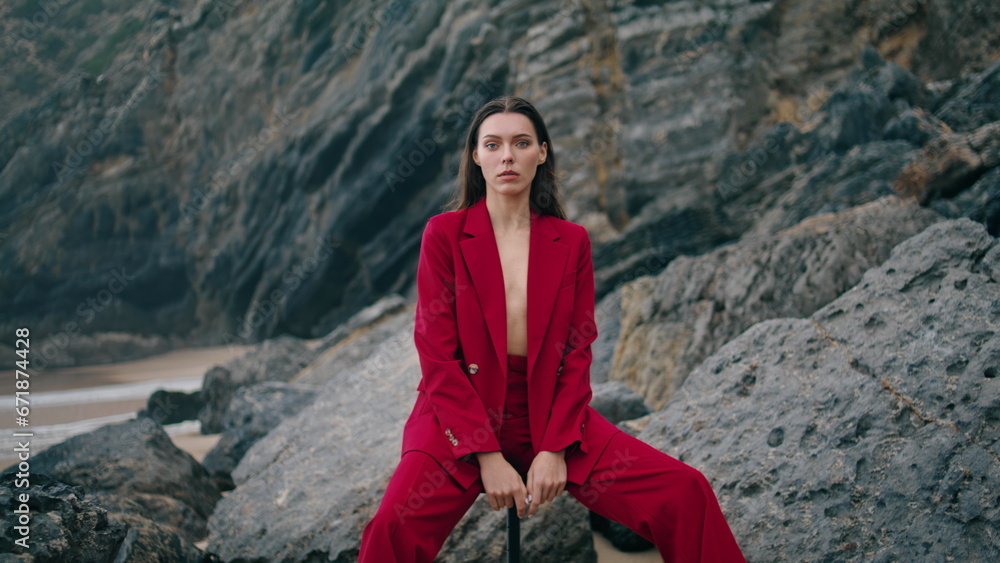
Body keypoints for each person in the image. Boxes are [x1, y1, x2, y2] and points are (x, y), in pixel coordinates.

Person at [358, 95, 745, 562]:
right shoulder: (445, 234)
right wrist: (487, 456)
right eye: (493, 144)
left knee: (685, 492)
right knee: (391, 528)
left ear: (541, 152)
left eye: (521, 143)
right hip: (459, 416)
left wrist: (556, 449)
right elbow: (437, 356)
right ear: (476, 156)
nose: (507, 156)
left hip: (550, 413)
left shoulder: (570, 241)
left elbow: (577, 352)